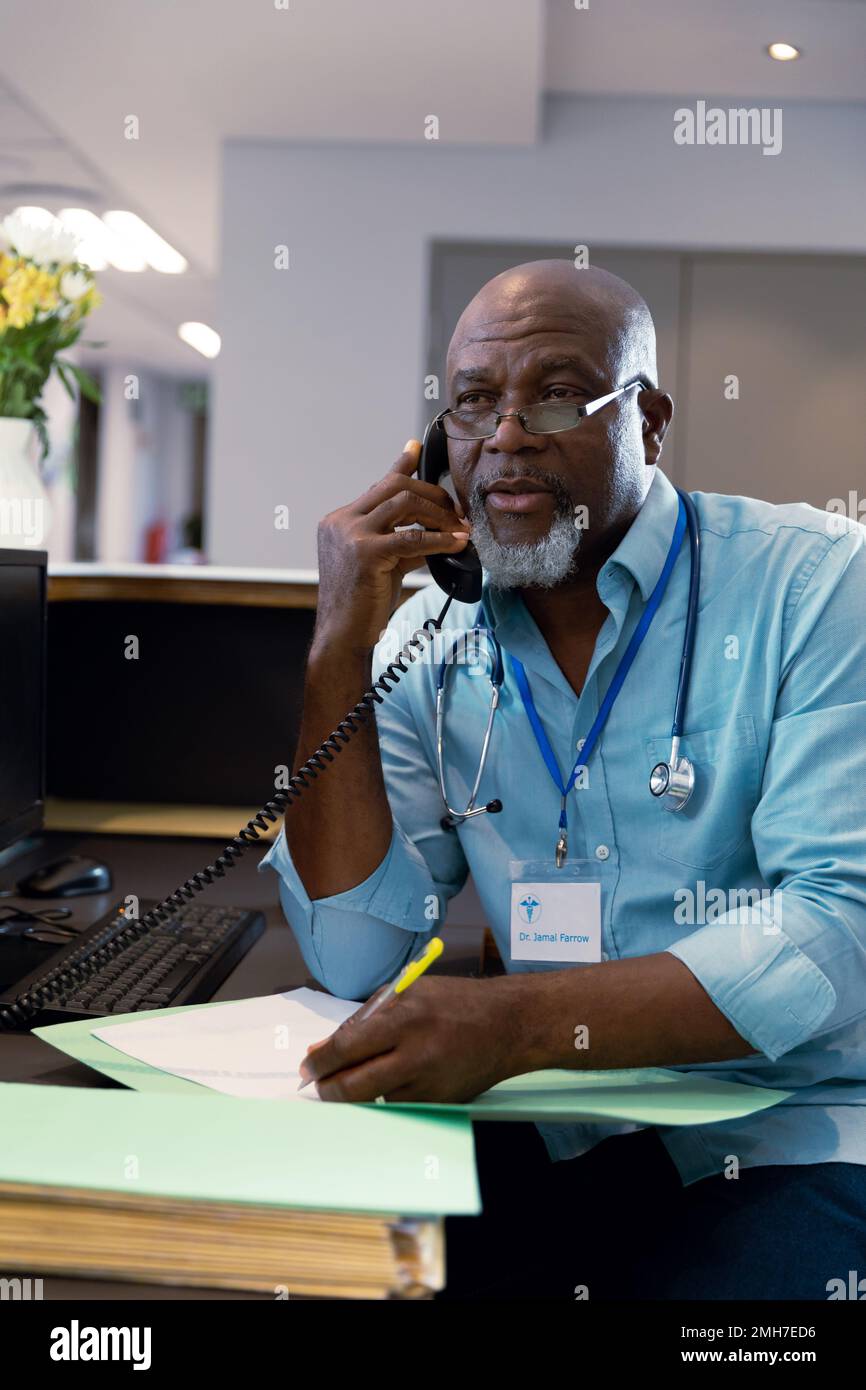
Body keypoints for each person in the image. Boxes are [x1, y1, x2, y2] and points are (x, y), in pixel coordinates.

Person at [260, 260, 866, 1299]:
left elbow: (835, 928)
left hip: (784, 1131)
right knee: (302, 1275)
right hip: (541, 1119)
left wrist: (518, 1021)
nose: (504, 435)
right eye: (473, 402)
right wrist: (335, 654)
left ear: (649, 419)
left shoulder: (812, 586)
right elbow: (354, 952)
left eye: (552, 392)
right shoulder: (430, 638)